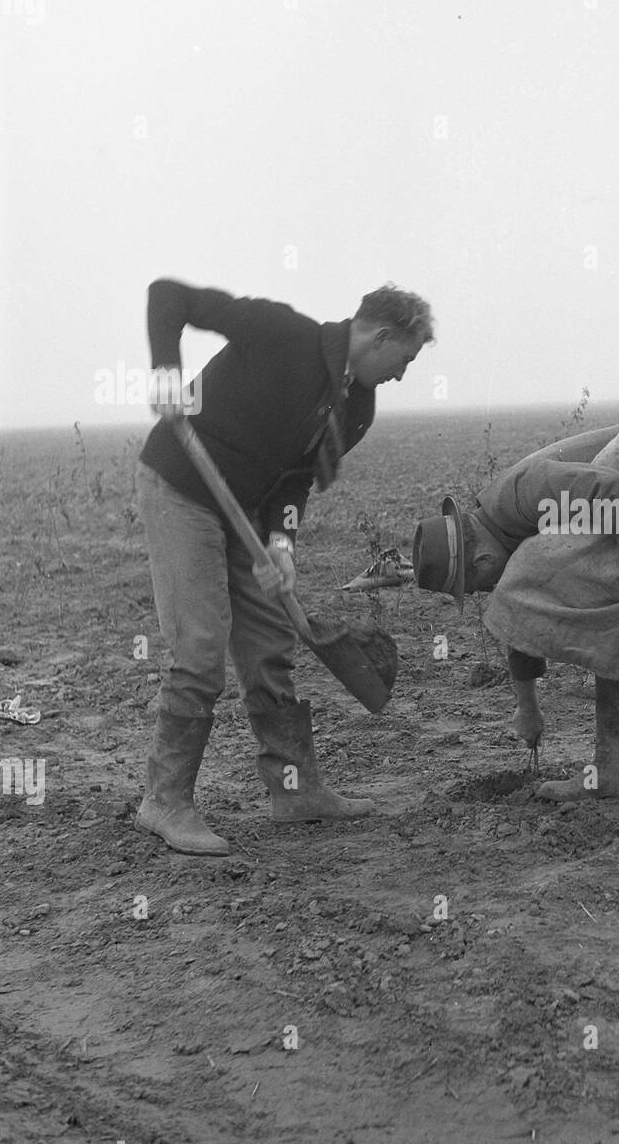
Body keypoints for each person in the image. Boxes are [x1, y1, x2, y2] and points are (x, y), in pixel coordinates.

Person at [135, 278, 433, 856]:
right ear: (381, 335)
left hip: (243, 508)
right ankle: (164, 801)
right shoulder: (282, 333)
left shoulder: (359, 408)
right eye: (406, 358)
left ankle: (295, 790)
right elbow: (167, 295)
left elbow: (296, 480)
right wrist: (168, 374)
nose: (403, 373)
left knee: (269, 643)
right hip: (179, 488)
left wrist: (280, 546)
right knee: (200, 647)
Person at [412, 401, 619, 853]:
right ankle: (618, 770)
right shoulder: (504, 526)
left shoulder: (523, 491)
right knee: (608, 618)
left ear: (481, 561)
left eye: (475, 586)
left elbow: (616, 490)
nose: (482, 593)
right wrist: (526, 706)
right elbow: (526, 621)